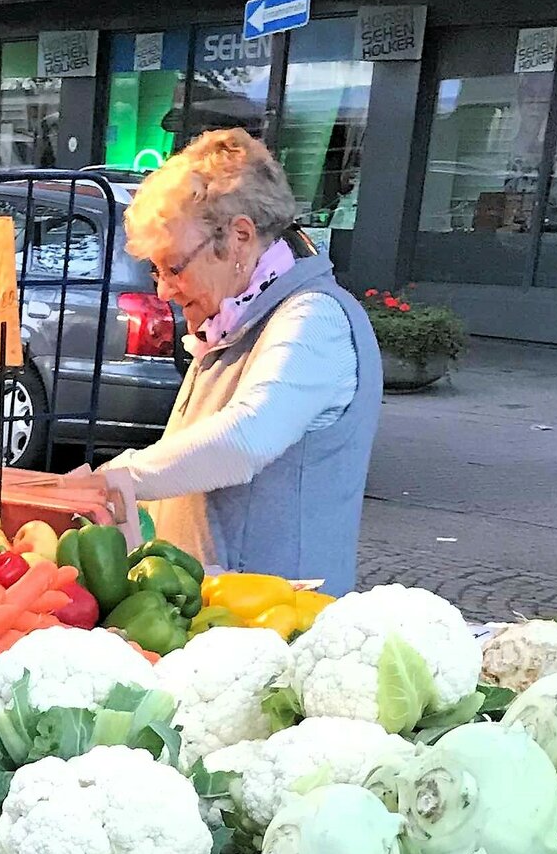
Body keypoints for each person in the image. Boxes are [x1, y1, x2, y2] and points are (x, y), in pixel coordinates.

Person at [104, 128, 381, 593]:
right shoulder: (232, 322)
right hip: (215, 610)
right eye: (155, 270)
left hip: (281, 620)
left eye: (174, 267)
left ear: (239, 237)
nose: (163, 290)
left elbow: (245, 439)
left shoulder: (315, 318)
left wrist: (116, 480)